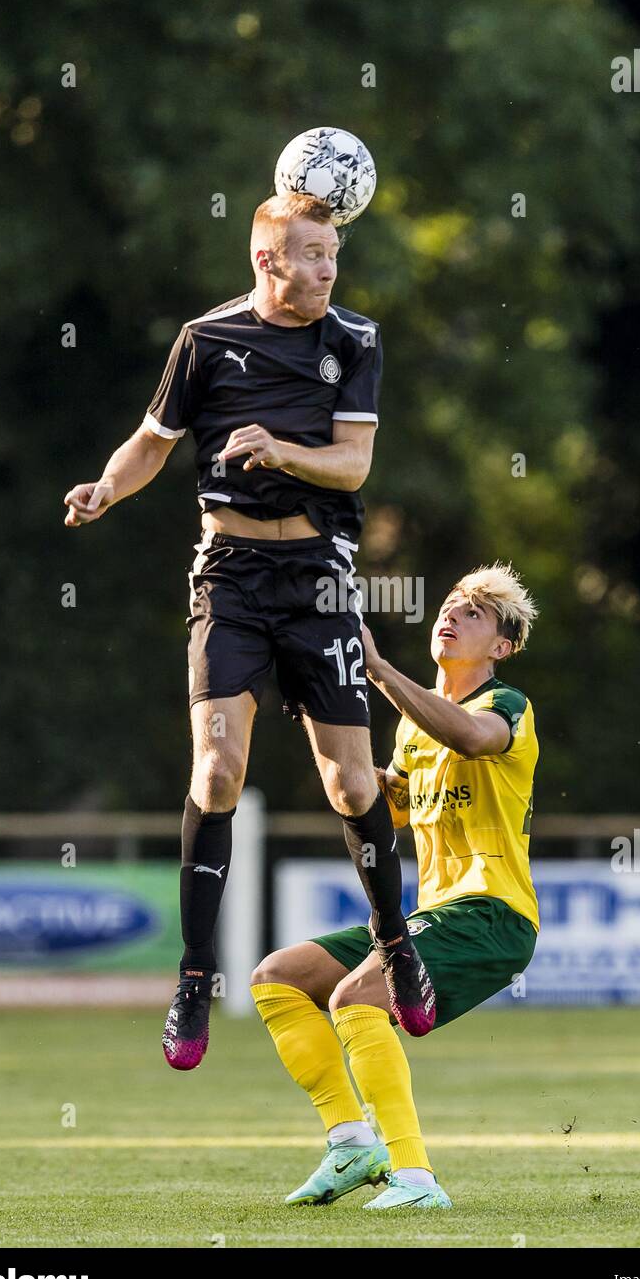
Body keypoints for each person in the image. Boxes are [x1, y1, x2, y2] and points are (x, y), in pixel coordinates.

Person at [63, 192, 436, 1071]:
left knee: (350, 785)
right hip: (229, 580)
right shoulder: (205, 340)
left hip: (317, 581)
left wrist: (279, 451)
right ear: (268, 261)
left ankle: (397, 945)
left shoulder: (355, 341)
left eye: (334, 253)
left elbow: (352, 464)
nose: (328, 268)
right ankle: (195, 977)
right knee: (217, 768)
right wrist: (107, 488)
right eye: (311, 255)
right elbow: (153, 440)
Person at [251, 563, 539, 1210]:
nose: (453, 614)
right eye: (451, 604)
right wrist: (314, 700)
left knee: (356, 997)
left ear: (502, 646)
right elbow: (374, 798)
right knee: (279, 979)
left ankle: (416, 1179)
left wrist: (375, 668)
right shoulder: (413, 729)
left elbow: (467, 735)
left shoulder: (506, 707)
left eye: (474, 612)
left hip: (494, 914)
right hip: (436, 915)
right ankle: (352, 1142)